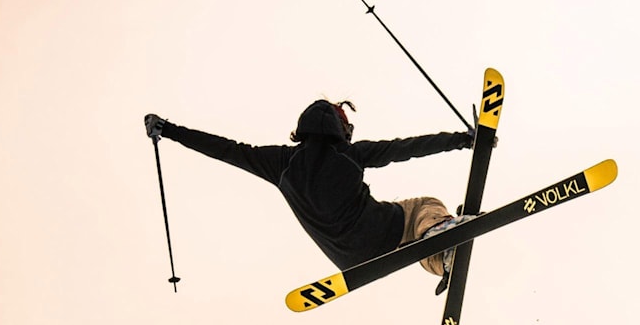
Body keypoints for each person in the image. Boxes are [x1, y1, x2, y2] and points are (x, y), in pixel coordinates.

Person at [143, 101, 473, 280]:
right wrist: (461, 140)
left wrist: (169, 130)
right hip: (380, 230)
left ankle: (441, 256)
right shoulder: (349, 154)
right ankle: (440, 240)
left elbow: (225, 149)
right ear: (340, 129)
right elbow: (406, 148)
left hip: (346, 260)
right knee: (422, 206)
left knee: (412, 235)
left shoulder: (279, 163)